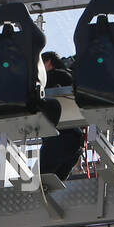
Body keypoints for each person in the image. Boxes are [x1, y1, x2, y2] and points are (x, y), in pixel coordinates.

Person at [38, 51, 86, 181]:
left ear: (47, 63)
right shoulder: (71, 78)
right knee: (54, 184)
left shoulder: (52, 77)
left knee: (40, 182)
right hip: (75, 143)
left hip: (58, 138)